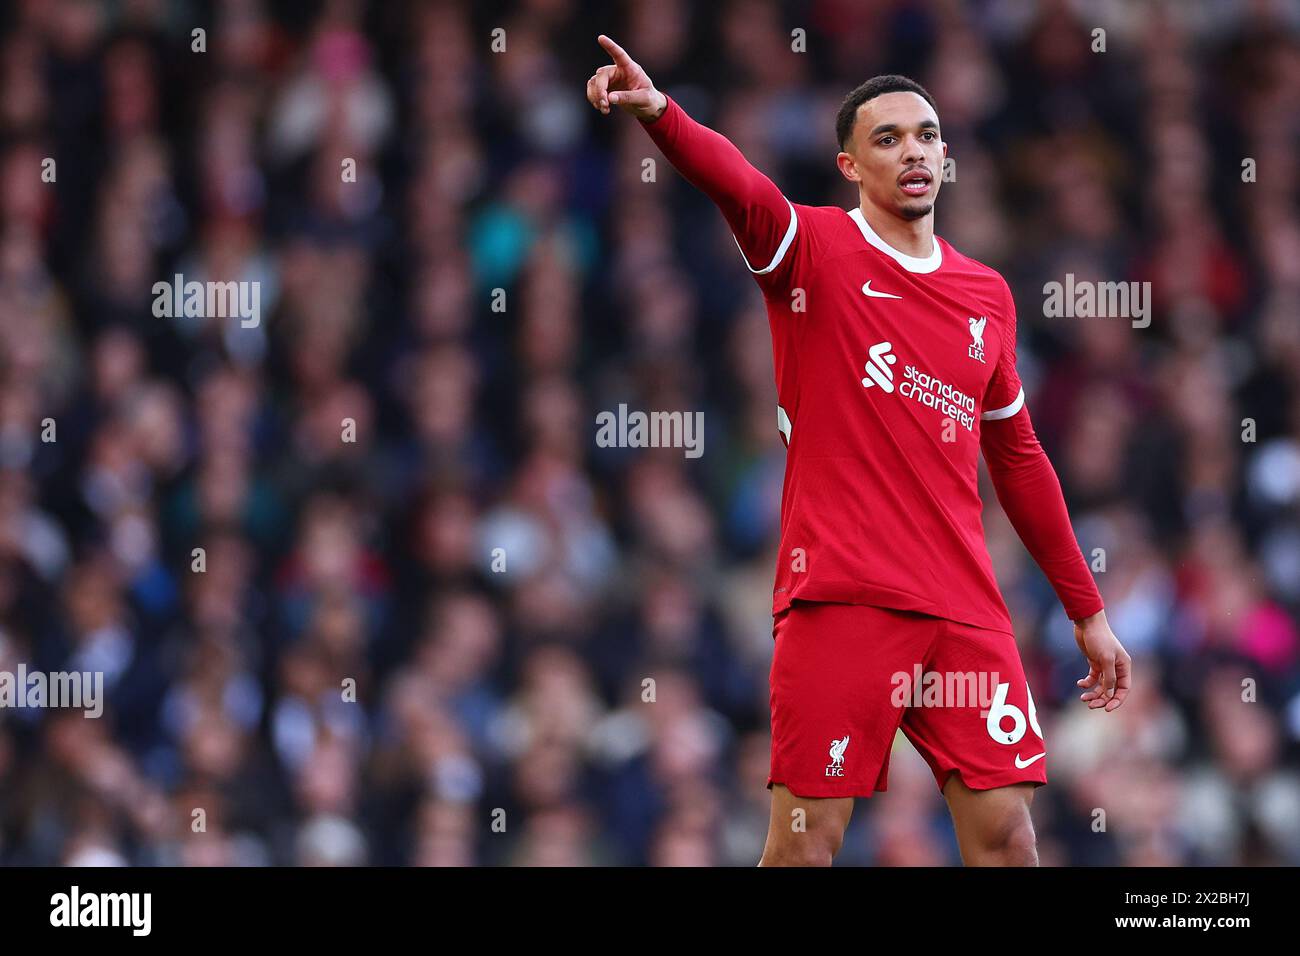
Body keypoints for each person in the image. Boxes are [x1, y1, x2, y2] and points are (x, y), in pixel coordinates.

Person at [586, 35, 1134, 867]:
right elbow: (738, 185)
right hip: (843, 596)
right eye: (887, 138)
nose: (912, 150)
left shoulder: (987, 295)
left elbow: (1018, 460)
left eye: (925, 134)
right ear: (849, 166)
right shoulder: (814, 251)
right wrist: (661, 112)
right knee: (807, 844)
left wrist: (1087, 613)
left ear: (945, 156)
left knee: (1009, 839)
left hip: (964, 607)